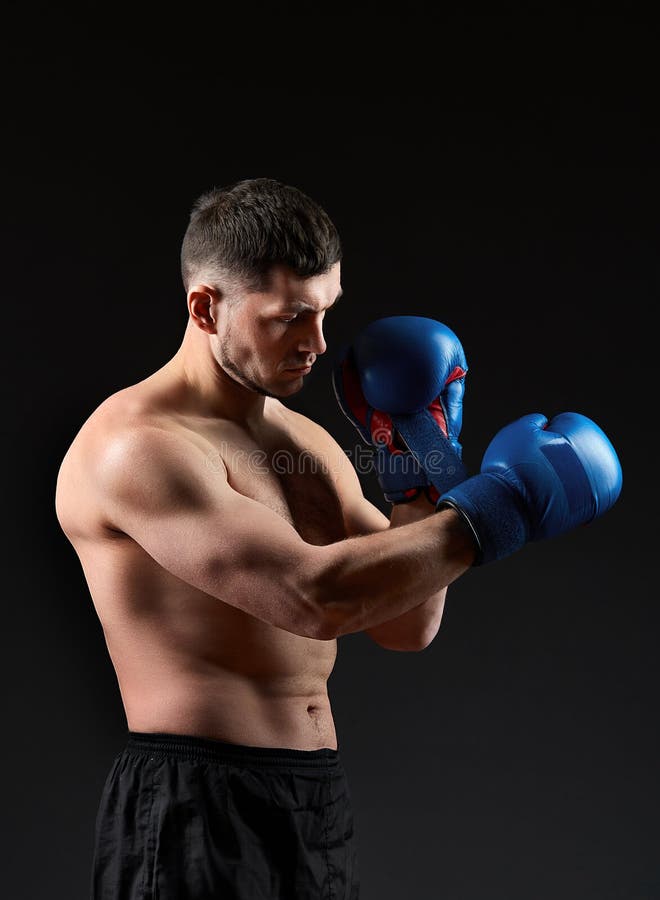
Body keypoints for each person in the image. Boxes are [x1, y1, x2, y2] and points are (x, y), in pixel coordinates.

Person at [54, 177, 621, 900]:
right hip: (196, 805)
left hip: (315, 805)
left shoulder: (303, 440)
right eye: (290, 317)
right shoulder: (137, 449)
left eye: (326, 314)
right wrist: (499, 506)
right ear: (205, 307)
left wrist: (415, 476)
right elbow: (313, 598)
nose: (317, 344)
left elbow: (405, 621)